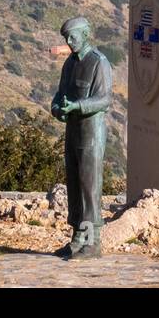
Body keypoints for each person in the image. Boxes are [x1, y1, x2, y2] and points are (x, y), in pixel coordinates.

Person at [50, 16, 112, 258]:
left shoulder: (99, 63)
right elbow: (60, 93)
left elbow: (105, 99)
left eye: (73, 36)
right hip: (73, 130)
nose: (69, 41)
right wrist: (57, 108)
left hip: (91, 132)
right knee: (74, 184)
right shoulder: (70, 63)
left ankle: (92, 242)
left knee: (89, 186)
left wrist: (77, 105)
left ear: (86, 34)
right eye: (66, 37)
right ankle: (77, 238)